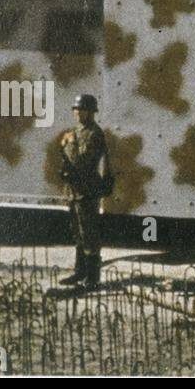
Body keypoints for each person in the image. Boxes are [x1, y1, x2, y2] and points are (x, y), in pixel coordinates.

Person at [57, 94, 112, 289]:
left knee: (89, 234)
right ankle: (80, 272)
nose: (77, 112)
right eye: (76, 109)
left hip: (87, 191)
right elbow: (67, 159)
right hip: (74, 190)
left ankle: (93, 278)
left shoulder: (94, 134)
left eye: (81, 109)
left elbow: (82, 161)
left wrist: (69, 144)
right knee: (78, 233)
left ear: (90, 112)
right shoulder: (76, 132)